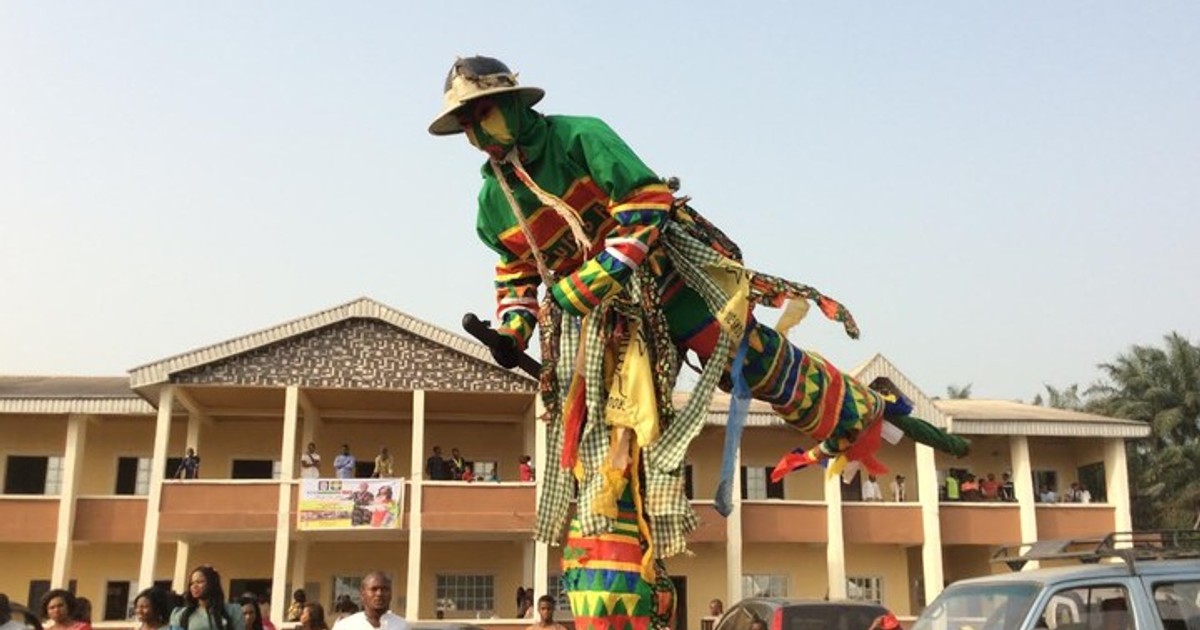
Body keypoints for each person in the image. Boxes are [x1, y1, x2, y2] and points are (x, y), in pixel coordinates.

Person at [431, 54, 967, 630]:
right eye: (464, 123)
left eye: (482, 112)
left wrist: (592, 280)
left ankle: (866, 414)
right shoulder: (492, 201)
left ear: (514, 103)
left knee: (748, 357)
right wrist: (514, 332)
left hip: (668, 280)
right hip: (596, 336)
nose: (476, 131)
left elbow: (647, 203)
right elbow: (517, 274)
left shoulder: (581, 136)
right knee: (606, 462)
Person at [170, 565, 245, 630]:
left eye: (200, 582)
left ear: (212, 584)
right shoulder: (180, 614)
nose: (194, 586)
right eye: (192, 583)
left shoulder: (233, 611)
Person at [330, 572, 407, 630]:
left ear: (391, 594)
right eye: (374, 589)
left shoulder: (402, 626)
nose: (379, 593)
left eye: (384, 589)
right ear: (362, 594)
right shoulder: (346, 626)